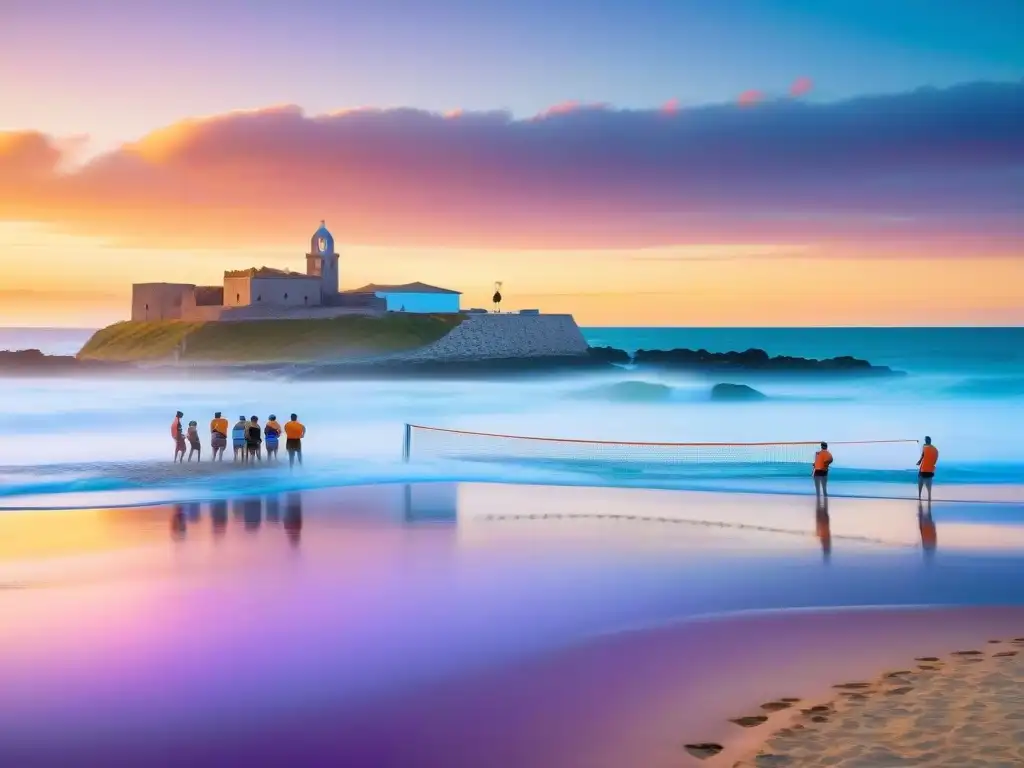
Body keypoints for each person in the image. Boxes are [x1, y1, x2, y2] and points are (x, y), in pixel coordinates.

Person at [916, 436, 939, 503]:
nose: (926, 441)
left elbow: (935, 458)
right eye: (925, 440)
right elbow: (923, 455)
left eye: (926, 440)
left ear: (929, 440)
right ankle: (920, 497)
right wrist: (920, 461)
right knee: (921, 483)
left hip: (928, 470)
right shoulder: (926, 447)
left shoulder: (934, 449)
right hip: (924, 469)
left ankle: (928, 497)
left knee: (927, 485)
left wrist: (932, 465)